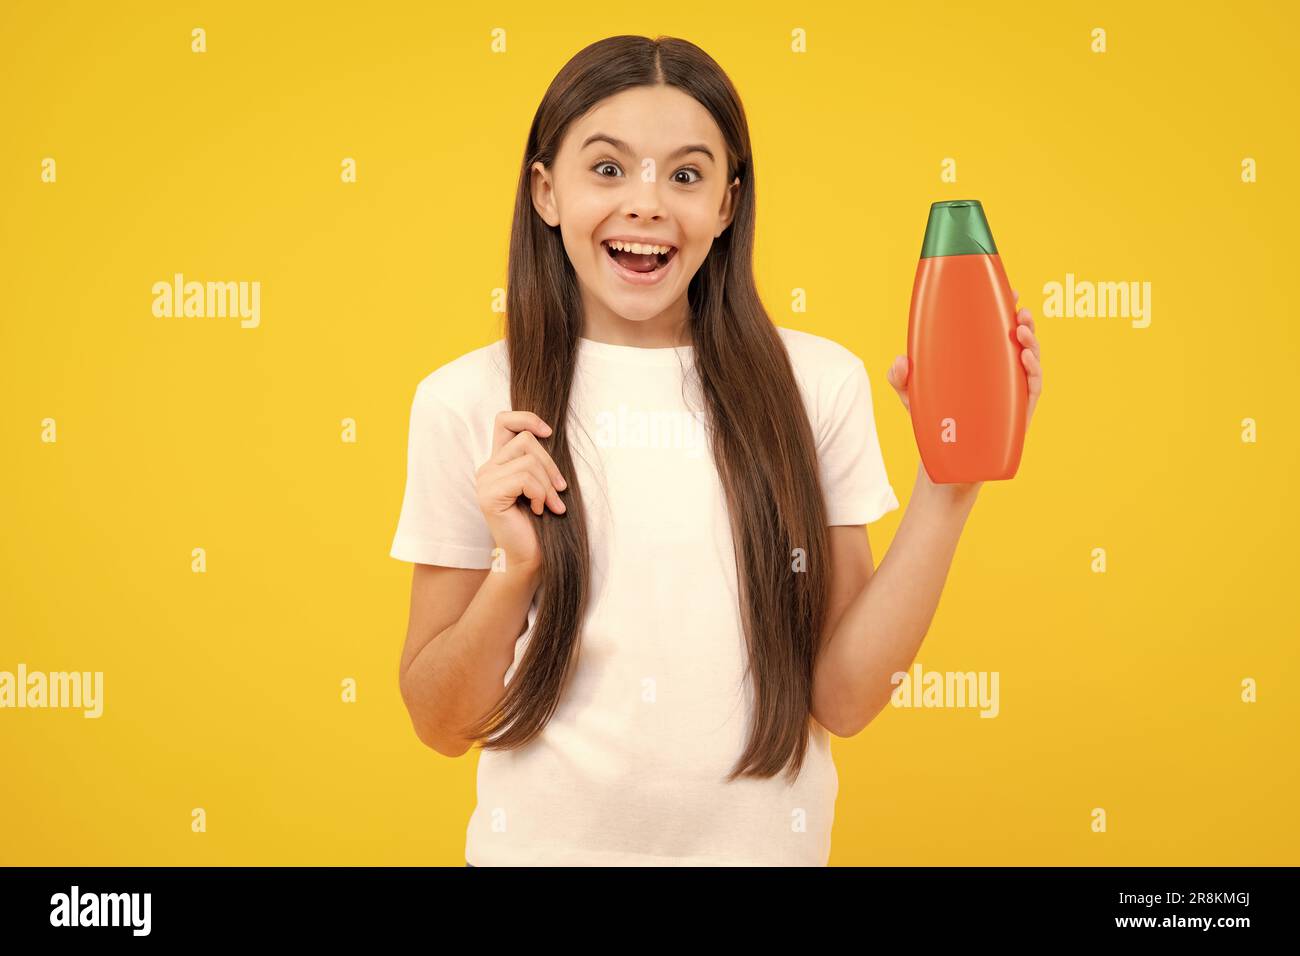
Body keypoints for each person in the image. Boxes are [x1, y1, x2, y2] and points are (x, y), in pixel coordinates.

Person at [391, 35, 1043, 867]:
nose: (649, 204)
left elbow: (843, 700)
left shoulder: (817, 385)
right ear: (546, 192)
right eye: (609, 169)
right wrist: (513, 571)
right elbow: (439, 723)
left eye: (687, 175)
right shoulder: (466, 401)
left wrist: (950, 486)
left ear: (729, 205)